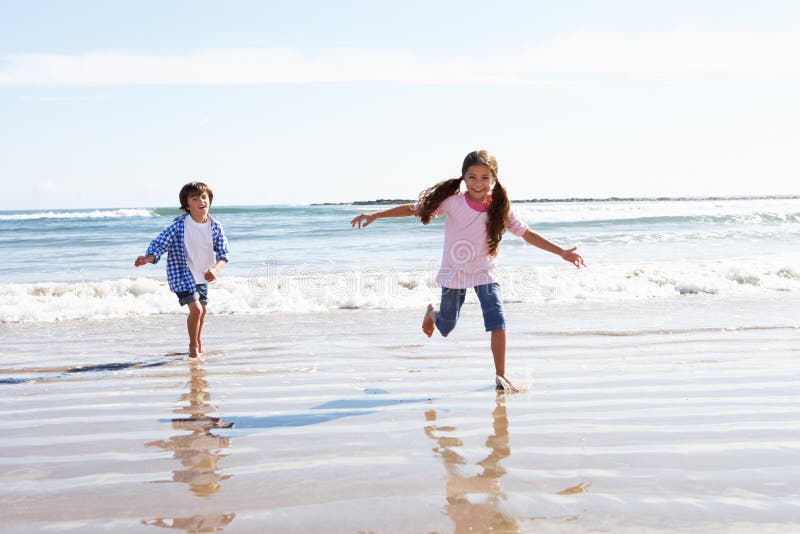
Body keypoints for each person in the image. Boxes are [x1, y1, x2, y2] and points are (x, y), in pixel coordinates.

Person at [351, 150, 585, 391]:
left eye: (485, 177)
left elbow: (527, 235)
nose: (478, 183)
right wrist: (377, 214)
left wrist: (561, 252)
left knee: (497, 321)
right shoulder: (453, 202)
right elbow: (413, 209)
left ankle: (501, 376)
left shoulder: (500, 207)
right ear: (463, 178)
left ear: (494, 179)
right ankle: (433, 313)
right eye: (472, 177)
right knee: (446, 327)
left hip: (485, 272)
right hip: (455, 272)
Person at [135, 182, 229, 358]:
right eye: (195, 198)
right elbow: (160, 243)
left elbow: (224, 253)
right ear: (187, 206)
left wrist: (216, 269)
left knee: (203, 310)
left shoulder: (214, 226)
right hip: (182, 275)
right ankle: (193, 347)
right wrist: (148, 258)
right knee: (197, 310)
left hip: (202, 275)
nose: (201, 201)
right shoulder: (179, 226)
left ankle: (199, 341)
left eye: (204, 197)